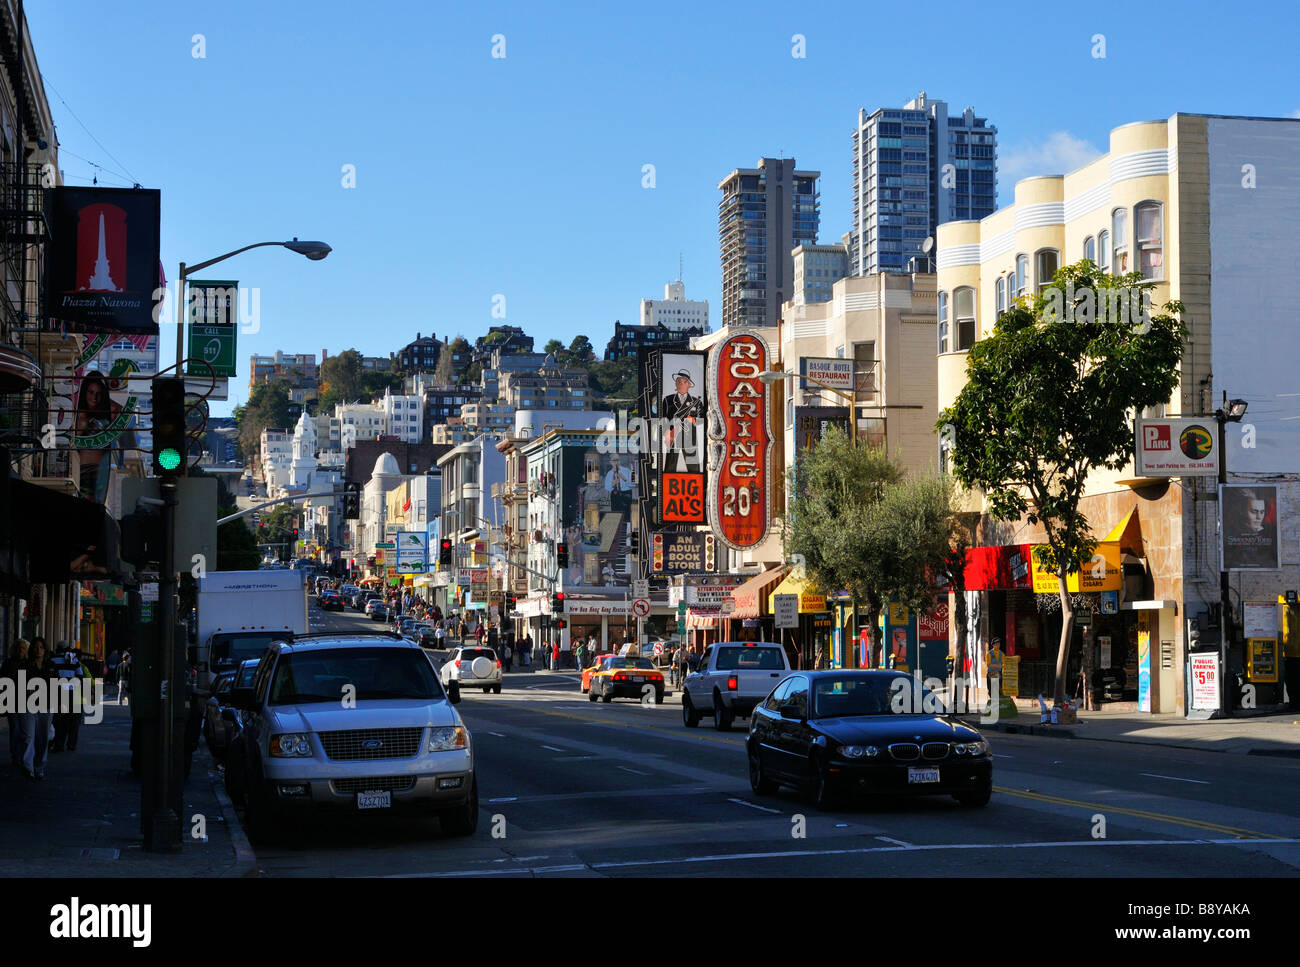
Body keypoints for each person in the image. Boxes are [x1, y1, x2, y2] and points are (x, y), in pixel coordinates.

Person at [659, 369, 705, 473]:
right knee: (670, 468)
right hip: (673, 436)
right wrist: (667, 432)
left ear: (689, 384)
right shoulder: (668, 400)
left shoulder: (696, 402)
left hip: (689, 438)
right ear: (675, 383)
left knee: (694, 469)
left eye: (684, 382)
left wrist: (693, 420)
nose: (681, 384)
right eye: (678, 381)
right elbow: (662, 419)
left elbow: (702, 420)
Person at [22, 638, 54, 780]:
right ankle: (28, 767)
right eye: (35, 647)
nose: (38, 650)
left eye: (41, 647)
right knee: (28, 737)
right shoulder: (25, 665)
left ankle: (39, 767)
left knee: (42, 738)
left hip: (46, 705)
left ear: (45, 650)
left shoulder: (50, 666)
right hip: (28, 705)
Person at [50, 641, 87, 753]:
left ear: (57, 648)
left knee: (58, 720)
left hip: (57, 694)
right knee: (71, 720)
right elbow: (80, 676)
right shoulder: (74, 660)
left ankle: (59, 744)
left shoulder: (52, 660)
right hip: (72, 694)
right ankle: (69, 744)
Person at [2, 640, 30, 768]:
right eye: (18, 648)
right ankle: (16, 755)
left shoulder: (29, 663)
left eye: (23, 648)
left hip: (26, 702)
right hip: (12, 701)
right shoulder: (8, 663)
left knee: (25, 731)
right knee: (15, 729)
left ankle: (23, 755)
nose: (20, 650)